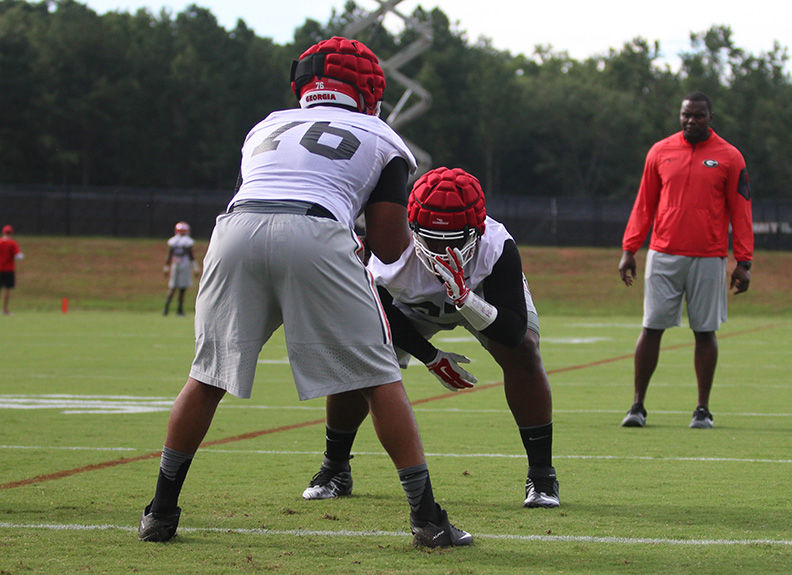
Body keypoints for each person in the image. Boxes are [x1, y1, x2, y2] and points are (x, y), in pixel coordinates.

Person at [138, 37, 472, 548]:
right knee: (380, 379)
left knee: (205, 378)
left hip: (234, 231)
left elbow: (263, 191)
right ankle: (428, 519)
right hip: (316, 232)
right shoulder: (381, 136)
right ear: (367, 91)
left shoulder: (266, 126)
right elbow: (388, 246)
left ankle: (160, 511)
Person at [302, 167, 560, 508]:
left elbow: (512, 333)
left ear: (478, 230)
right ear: (411, 227)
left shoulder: (496, 247)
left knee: (525, 351)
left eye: (453, 239)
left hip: (479, 296)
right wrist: (431, 356)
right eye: (432, 238)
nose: (442, 249)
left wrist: (466, 299)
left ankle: (542, 476)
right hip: (407, 308)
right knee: (358, 356)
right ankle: (334, 467)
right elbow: (376, 316)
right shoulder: (389, 250)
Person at [617, 91, 753, 430]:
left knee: (705, 331)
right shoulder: (660, 151)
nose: (691, 120)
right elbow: (644, 203)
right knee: (651, 327)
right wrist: (630, 249)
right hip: (663, 253)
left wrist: (744, 261)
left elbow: (741, 210)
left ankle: (702, 409)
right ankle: (637, 406)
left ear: (710, 118)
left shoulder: (730, 156)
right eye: (686, 115)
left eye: (698, 115)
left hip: (709, 257)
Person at [162, 221, 199, 316]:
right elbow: (191, 255)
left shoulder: (173, 241)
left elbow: (169, 255)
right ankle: (179, 310)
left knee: (172, 287)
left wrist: (166, 267)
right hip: (184, 265)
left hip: (175, 265)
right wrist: (195, 268)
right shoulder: (187, 241)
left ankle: (166, 309)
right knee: (182, 288)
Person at [0, 225, 24, 316]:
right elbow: (19, 256)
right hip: (8, 270)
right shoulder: (12, 243)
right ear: (11, 233)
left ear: (3, 232)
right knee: (7, 290)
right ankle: (5, 310)